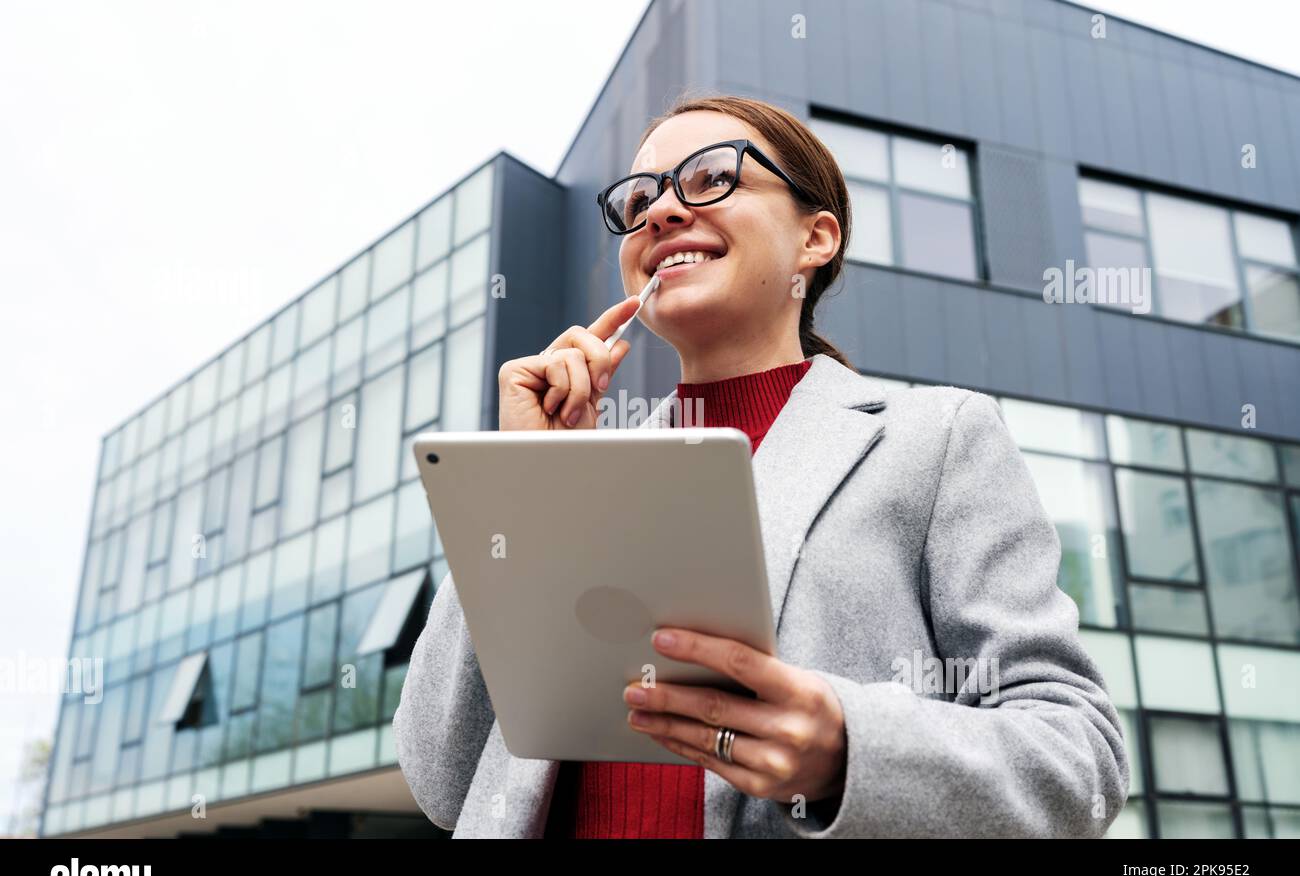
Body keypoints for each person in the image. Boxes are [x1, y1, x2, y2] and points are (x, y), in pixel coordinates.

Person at [394, 93, 1130, 838]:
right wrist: (527, 482)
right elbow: (443, 776)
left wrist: (848, 750)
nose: (661, 213)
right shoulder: (574, 475)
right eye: (640, 198)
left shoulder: (936, 440)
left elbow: (1080, 761)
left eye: (712, 178)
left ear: (815, 239)